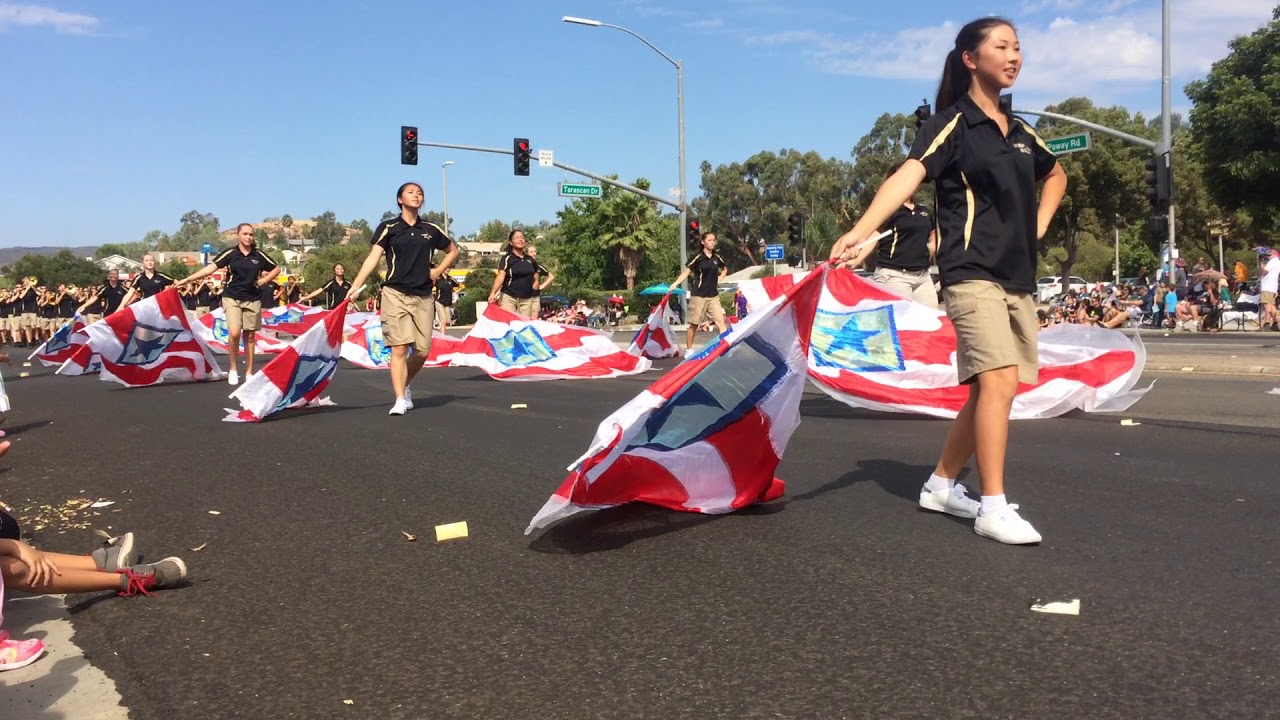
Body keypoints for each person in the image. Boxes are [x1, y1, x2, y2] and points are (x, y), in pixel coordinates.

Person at [829, 17, 1067, 545]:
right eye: (1001, 46)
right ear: (970, 58)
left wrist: (1040, 224)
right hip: (970, 272)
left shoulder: (1021, 130)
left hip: (1017, 276)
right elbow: (910, 173)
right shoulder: (952, 124)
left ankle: (940, 485)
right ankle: (992, 506)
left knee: (991, 389)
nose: (1014, 56)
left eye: (1018, 47)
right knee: (999, 380)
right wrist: (861, 229)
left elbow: (1057, 174)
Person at [346, 182, 459, 415]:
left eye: (420, 193)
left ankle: (405, 383)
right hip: (394, 293)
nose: (416, 195)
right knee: (398, 348)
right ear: (400, 199)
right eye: (411, 192)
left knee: (422, 351)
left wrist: (437, 272)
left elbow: (453, 250)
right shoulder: (389, 227)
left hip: (423, 295)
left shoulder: (430, 228)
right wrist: (355, 286)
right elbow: (373, 258)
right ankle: (399, 398)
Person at [175, 223, 281, 386]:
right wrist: (187, 280)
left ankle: (249, 372)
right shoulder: (231, 254)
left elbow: (276, 269)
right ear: (238, 235)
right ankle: (233, 368)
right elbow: (210, 269)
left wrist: (263, 281)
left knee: (250, 335)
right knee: (234, 332)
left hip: (252, 298)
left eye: (251, 235)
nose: (248, 237)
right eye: (245, 234)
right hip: (232, 297)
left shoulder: (258, 255)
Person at [842, 163, 939, 307]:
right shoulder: (887, 210)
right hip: (894, 277)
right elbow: (874, 235)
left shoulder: (923, 210)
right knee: (900, 325)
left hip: (922, 277)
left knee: (932, 323)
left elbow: (933, 232)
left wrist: (932, 247)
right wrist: (857, 260)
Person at [671, 232, 728, 353]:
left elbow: (725, 268)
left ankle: (725, 347)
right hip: (699, 295)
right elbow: (687, 272)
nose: (712, 242)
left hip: (713, 295)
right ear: (703, 242)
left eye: (714, 240)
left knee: (720, 322)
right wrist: (676, 283)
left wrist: (720, 278)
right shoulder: (698, 257)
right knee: (694, 324)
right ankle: (689, 350)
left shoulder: (716, 258)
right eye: (709, 240)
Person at [488, 230, 540, 317]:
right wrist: (493, 293)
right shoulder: (507, 259)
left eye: (522, 237)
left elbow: (536, 279)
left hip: (526, 299)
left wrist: (535, 294)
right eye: (517, 238)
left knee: (524, 326)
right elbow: (500, 277)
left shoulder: (530, 260)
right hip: (509, 297)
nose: (520, 240)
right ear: (511, 242)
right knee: (510, 323)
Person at [526, 244, 554, 320]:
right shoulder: (523, 266)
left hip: (535, 296)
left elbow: (551, 276)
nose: (533, 254)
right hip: (524, 296)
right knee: (525, 318)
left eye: (535, 252)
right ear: (527, 253)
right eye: (531, 252)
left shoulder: (539, 267)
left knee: (534, 319)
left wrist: (542, 286)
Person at [1258, 246, 1280, 331]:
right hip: (1273, 286)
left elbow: (1264, 272)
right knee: (1272, 305)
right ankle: (1275, 324)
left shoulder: (1272, 262)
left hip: (1267, 286)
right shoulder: (1278, 262)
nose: (1268, 256)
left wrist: (1261, 263)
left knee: (1267, 306)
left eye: (1269, 254)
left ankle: (1266, 324)